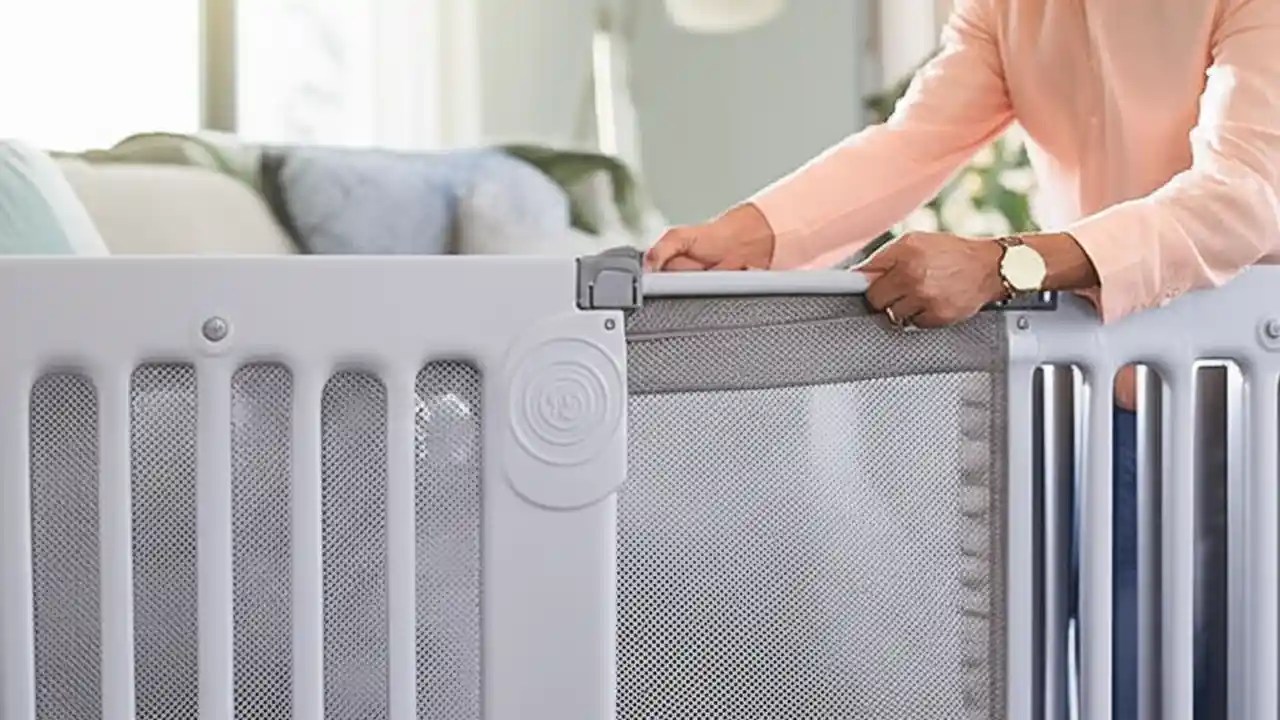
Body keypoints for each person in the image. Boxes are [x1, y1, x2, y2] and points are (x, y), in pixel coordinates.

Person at [645, 1, 1280, 717]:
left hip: (1249, 402)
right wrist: (747, 235)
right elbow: (914, 140)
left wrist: (1009, 265)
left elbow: (1245, 197)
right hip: (1112, 403)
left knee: (1221, 682)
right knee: (1109, 681)